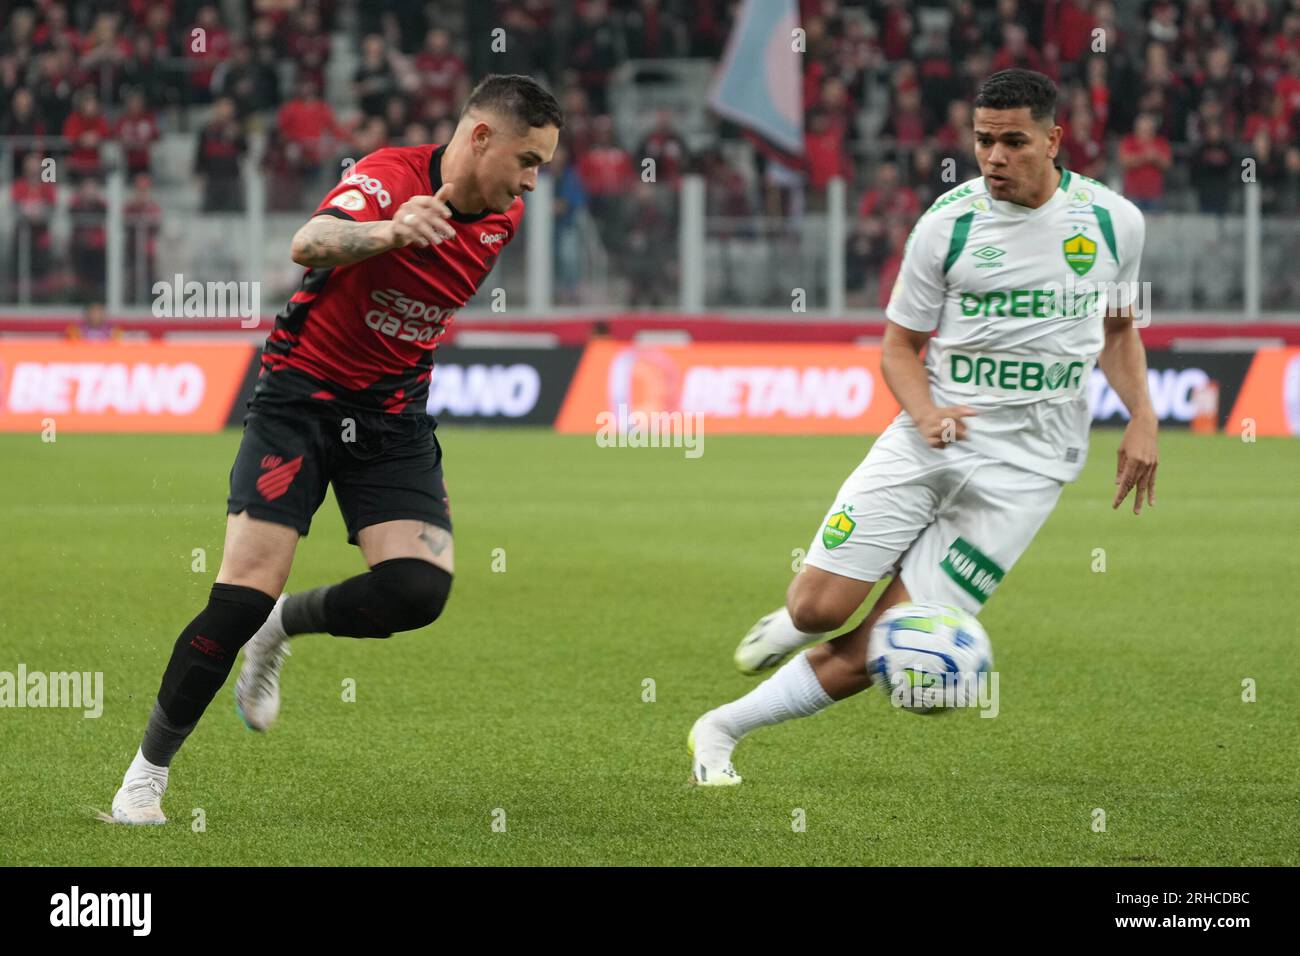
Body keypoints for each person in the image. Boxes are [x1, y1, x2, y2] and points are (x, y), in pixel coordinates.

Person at [108, 74, 562, 824]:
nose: (532, 182)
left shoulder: (500, 217)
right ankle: (145, 778)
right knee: (237, 596)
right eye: (527, 160)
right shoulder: (388, 175)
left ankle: (283, 626)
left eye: (540, 166)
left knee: (418, 592)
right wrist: (385, 232)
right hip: (301, 401)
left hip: (391, 417)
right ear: (480, 137)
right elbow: (310, 242)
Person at [689, 69, 1157, 786]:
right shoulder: (948, 223)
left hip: (1026, 475)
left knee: (890, 643)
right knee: (816, 607)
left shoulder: (1114, 222)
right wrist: (928, 412)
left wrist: (1142, 418)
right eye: (982, 141)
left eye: (1013, 142)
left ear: (1054, 140)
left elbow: (1120, 330)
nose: (994, 157)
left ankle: (720, 730)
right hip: (928, 436)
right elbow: (898, 347)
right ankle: (793, 624)